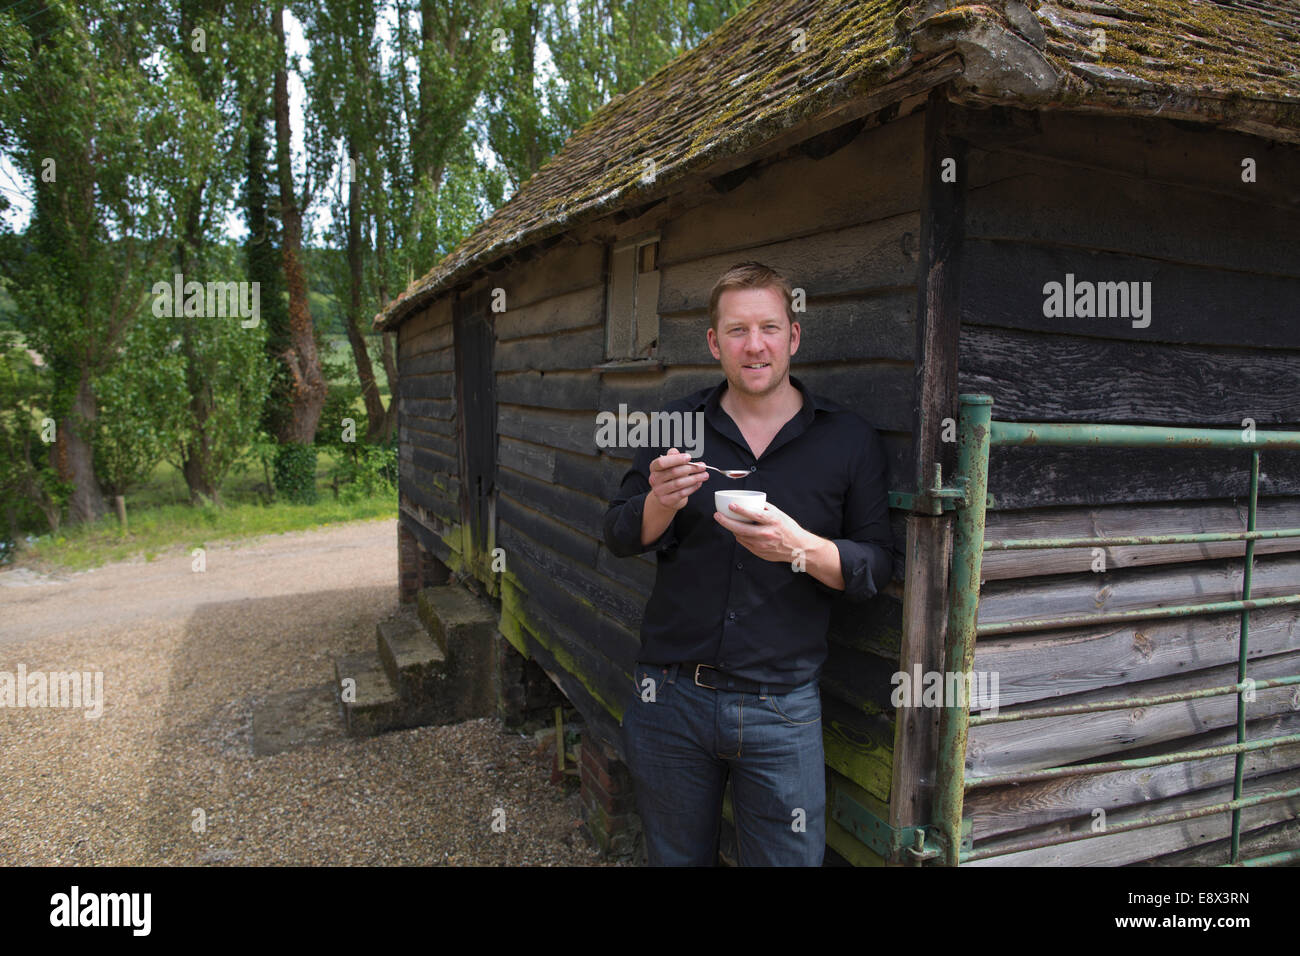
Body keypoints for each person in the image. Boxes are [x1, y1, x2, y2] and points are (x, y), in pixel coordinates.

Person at [602, 260, 895, 866]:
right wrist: (658, 501)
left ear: (792, 335)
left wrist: (800, 548)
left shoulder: (848, 438)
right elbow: (619, 533)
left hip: (781, 709)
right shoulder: (675, 426)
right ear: (714, 343)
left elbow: (875, 566)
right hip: (670, 700)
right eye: (737, 330)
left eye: (768, 327)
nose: (753, 345)